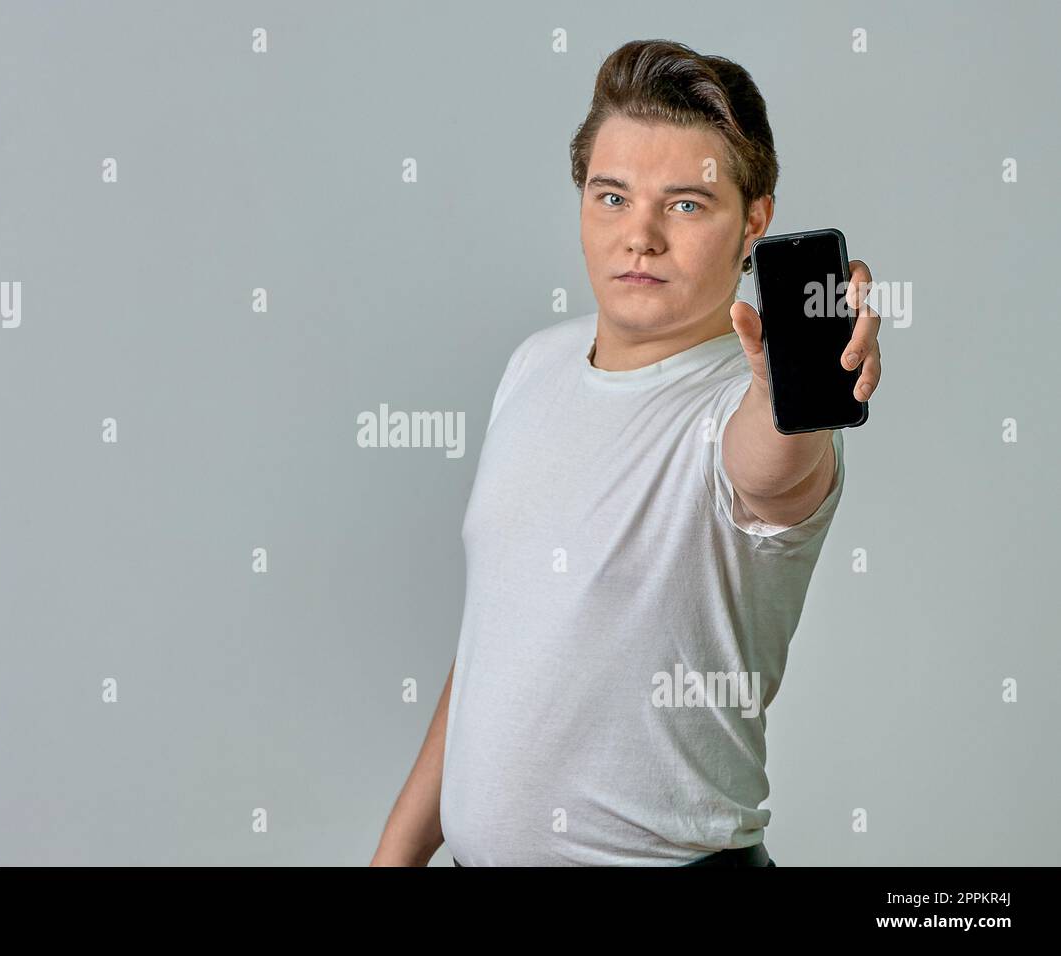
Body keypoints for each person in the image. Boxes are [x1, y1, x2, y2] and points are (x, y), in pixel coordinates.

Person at [371, 38, 882, 867]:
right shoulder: (533, 366)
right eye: (612, 196)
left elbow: (773, 472)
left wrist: (793, 410)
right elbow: (493, 647)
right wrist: (394, 857)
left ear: (752, 221)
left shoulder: (742, 412)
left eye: (685, 204)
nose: (638, 236)